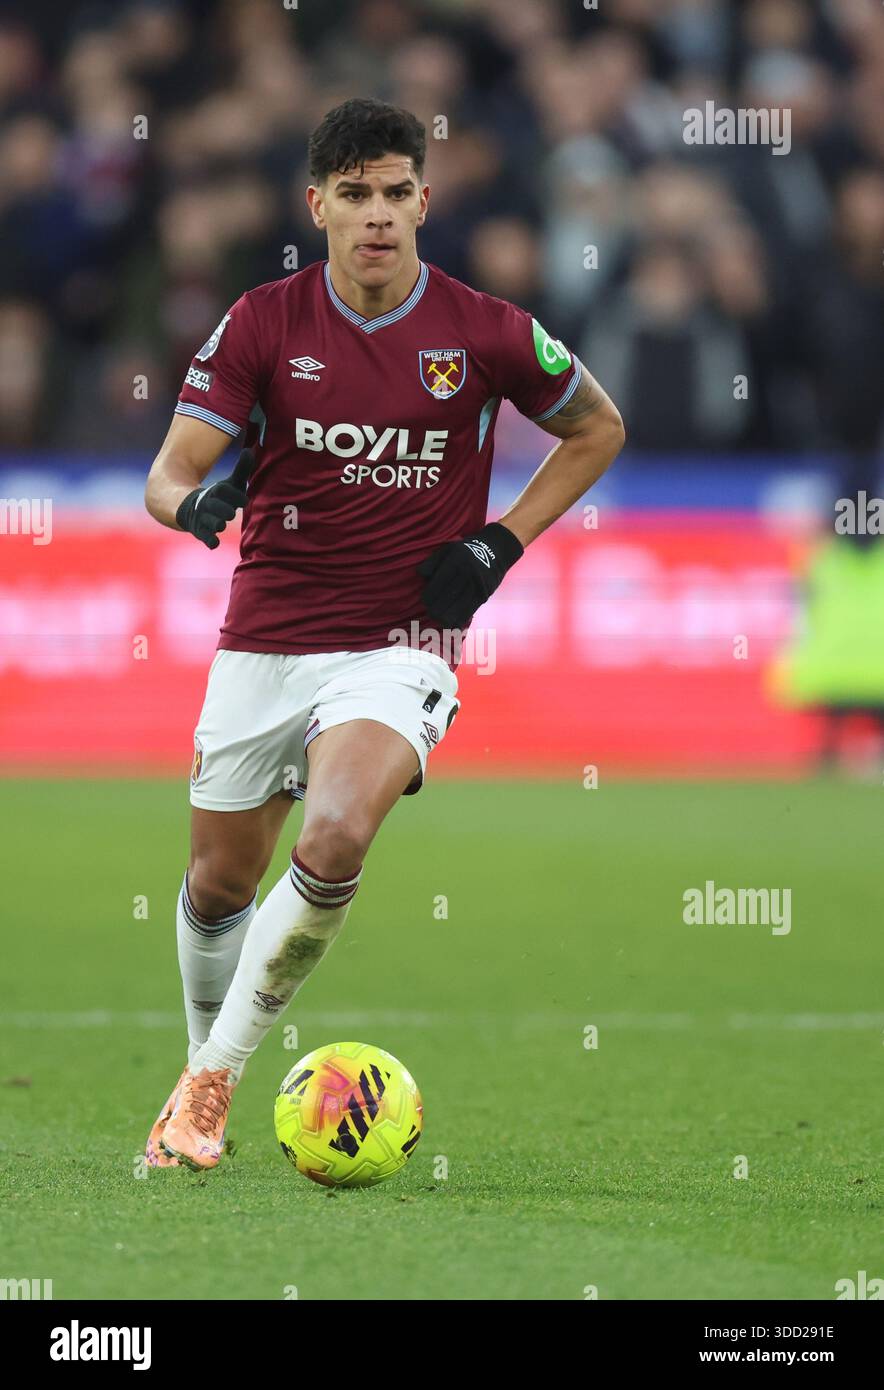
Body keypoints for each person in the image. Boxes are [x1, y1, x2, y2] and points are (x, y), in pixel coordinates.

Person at [142, 97, 624, 1170]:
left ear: (422, 201)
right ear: (315, 205)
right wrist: (195, 506)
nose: (376, 215)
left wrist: (499, 543)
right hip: (264, 637)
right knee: (220, 883)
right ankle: (193, 1068)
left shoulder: (485, 330)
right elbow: (166, 473)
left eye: (395, 193)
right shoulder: (262, 321)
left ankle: (213, 1084)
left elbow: (597, 426)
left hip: (399, 642)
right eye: (353, 195)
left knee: (335, 838)